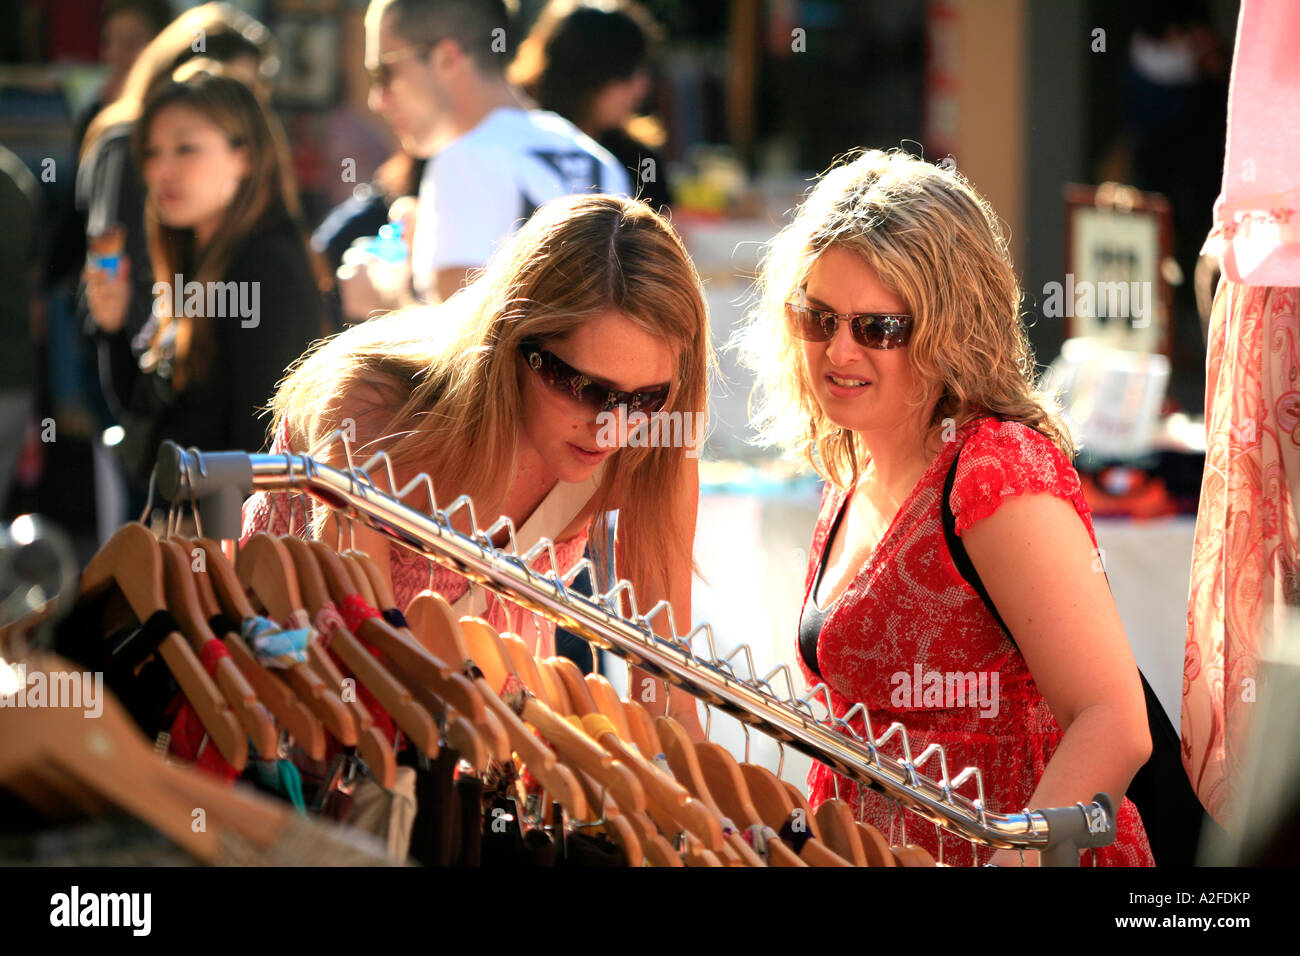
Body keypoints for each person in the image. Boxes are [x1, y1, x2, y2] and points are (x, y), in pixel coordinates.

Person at [737, 148, 1155, 866]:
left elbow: (1115, 725)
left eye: (878, 329)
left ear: (949, 330)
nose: (838, 349)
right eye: (818, 317)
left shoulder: (994, 467)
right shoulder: (853, 463)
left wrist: (1011, 860)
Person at [242, 191, 710, 737]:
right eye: (584, 388)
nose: (614, 426)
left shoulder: (654, 443)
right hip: (284, 728)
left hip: (469, 760)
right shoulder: (372, 409)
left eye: (646, 398)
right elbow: (359, 656)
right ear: (511, 340)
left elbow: (666, 696)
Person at [83, 62, 326, 487]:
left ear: (245, 156)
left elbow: (259, 453)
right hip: (191, 531)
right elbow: (147, 414)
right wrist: (113, 326)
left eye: (186, 148)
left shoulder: (266, 263)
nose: (162, 170)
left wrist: (216, 550)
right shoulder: (197, 257)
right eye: (152, 152)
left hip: (231, 541)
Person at [346, 0, 631, 311]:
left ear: (447, 58)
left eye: (384, 72)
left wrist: (382, 299)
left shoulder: (463, 160)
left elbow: (465, 350)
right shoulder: (597, 159)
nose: (378, 100)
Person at [78, 2, 279, 416]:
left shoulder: (264, 257)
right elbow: (111, 259)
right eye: (224, 89)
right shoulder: (126, 144)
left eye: (248, 94)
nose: (241, 112)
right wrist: (141, 352)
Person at [510, 0, 672, 214]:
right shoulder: (518, 145)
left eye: (641, 70)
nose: (640, 86)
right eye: (625, 73)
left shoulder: (640, 160)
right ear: (584, 76)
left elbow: (662, 236)